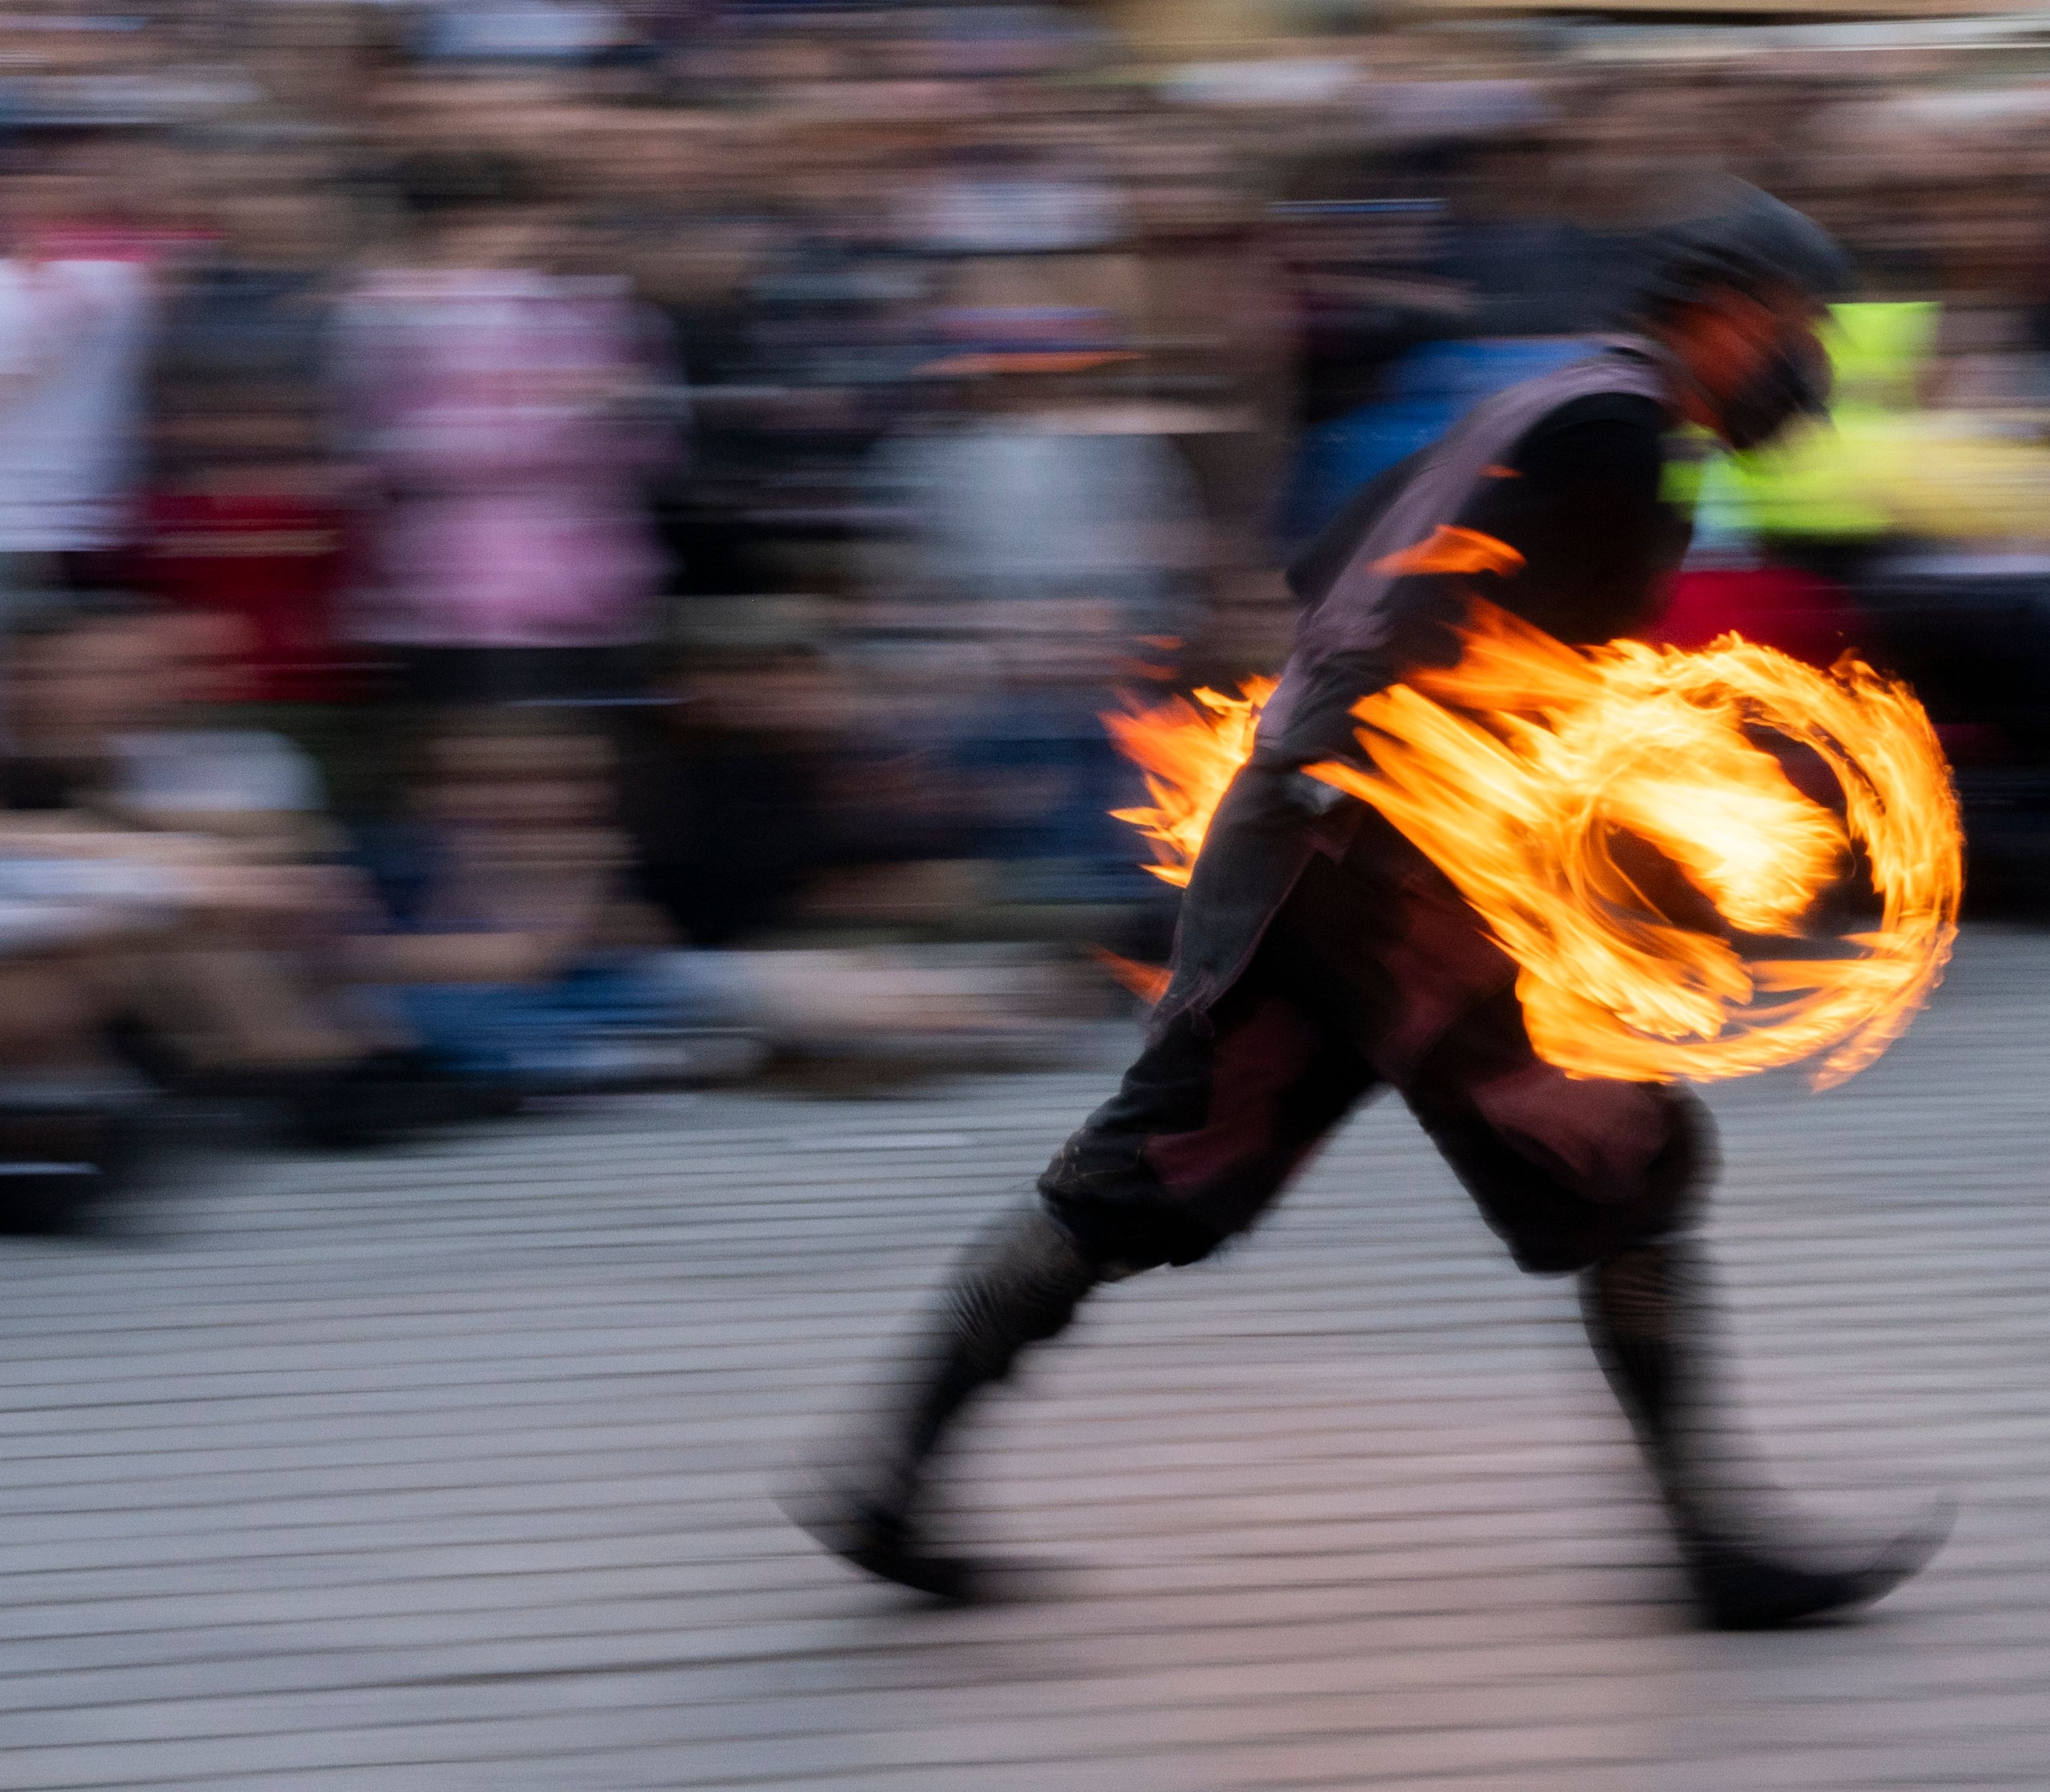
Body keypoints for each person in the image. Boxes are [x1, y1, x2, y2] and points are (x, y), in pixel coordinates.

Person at [795, 186, 1948, 1631]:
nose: (1810, 365)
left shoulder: (1537, 401)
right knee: (1621, 1161)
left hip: (1320, 846)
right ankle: (1715, 1547)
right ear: (1722, 314)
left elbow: (1330, 574)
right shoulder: (1619, 439)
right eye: (1798, 329)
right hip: (1384, 873)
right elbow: (1489, 695)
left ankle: (888, 1479)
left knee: (1143, 1177)